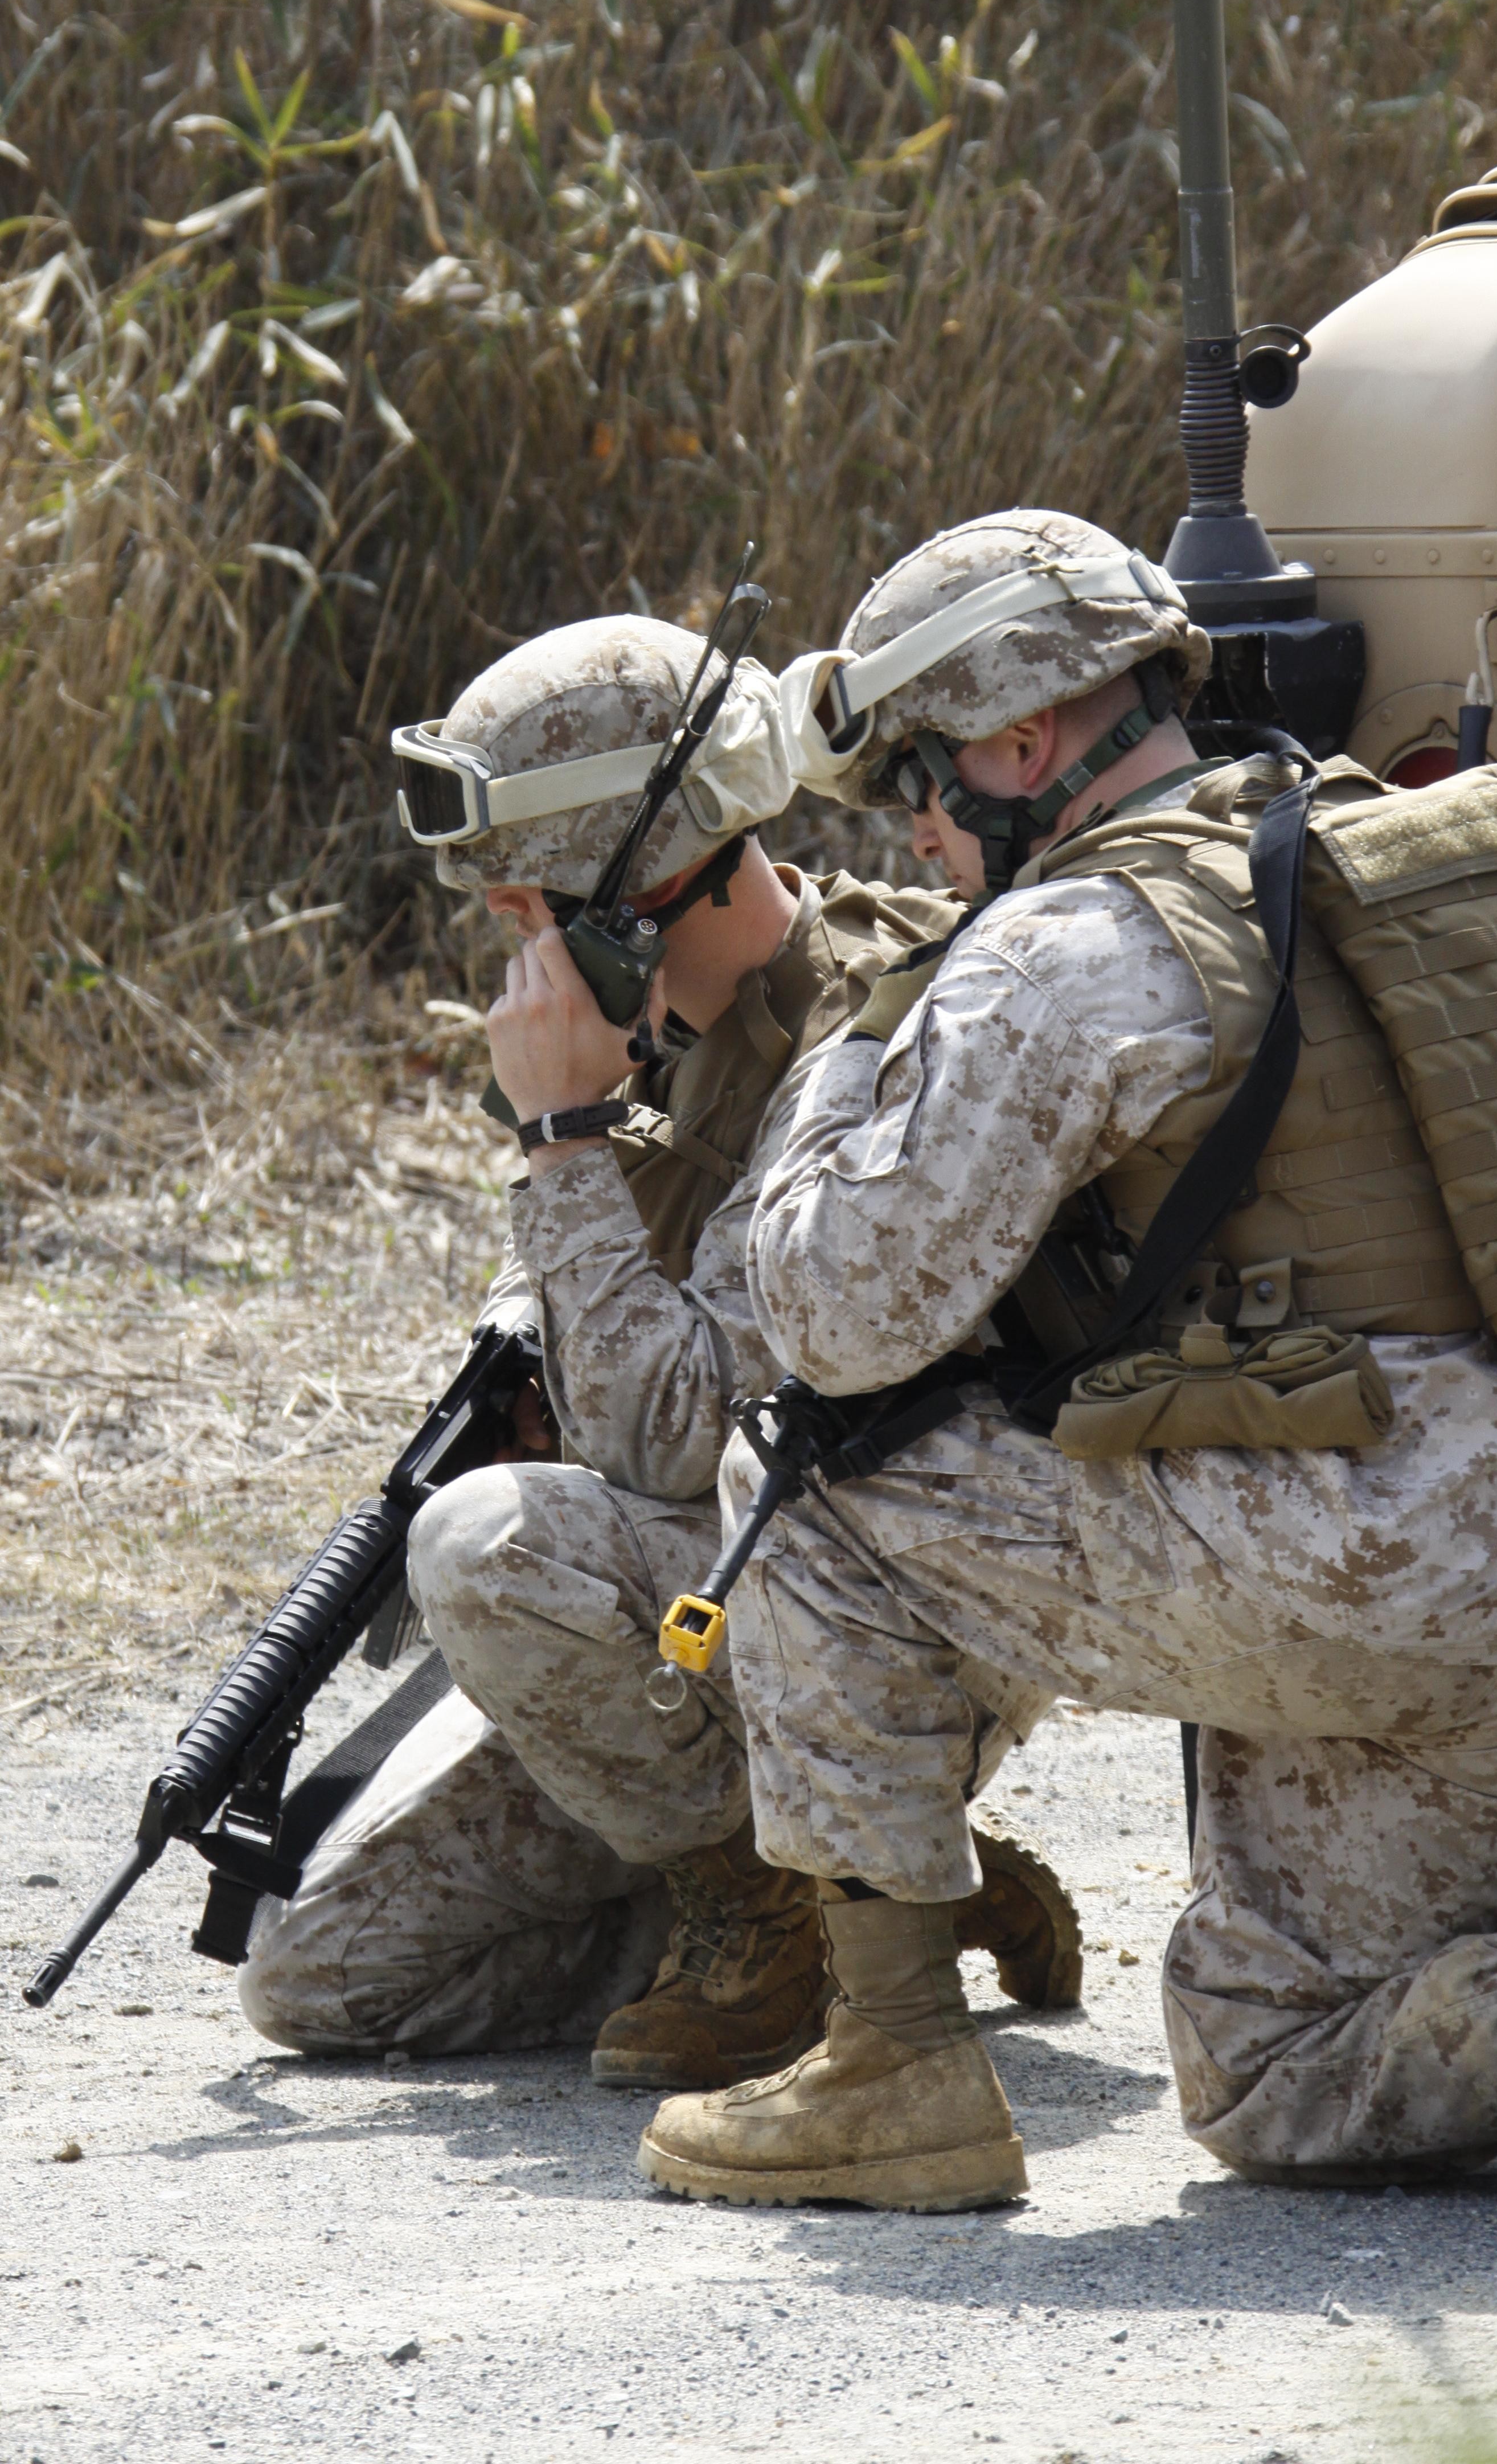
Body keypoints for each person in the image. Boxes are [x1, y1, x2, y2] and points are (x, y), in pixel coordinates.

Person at [636, 507, 1497, 2242]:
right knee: (1278, 2075)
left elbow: (833, 1315)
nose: (921, 835)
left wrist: (844, 1046)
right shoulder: (1371, 846)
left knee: (800, 1477)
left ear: (1025, 739)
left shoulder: (1060, 951)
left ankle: (892, 2063)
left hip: (1336, 1565)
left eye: (921, 785)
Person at [237, 609, 1080, 2080]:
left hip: (880, 1606)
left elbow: (672, 1435)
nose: (507, 931)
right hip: (691, 1612)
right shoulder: (652, 1041)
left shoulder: (873, 1032)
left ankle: (779, 1893)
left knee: (489, 1548)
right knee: (320, 1984)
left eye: (521, 896)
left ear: (633, 887)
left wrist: (561, 1138)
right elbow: (589, 1354)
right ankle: (878, 1888)